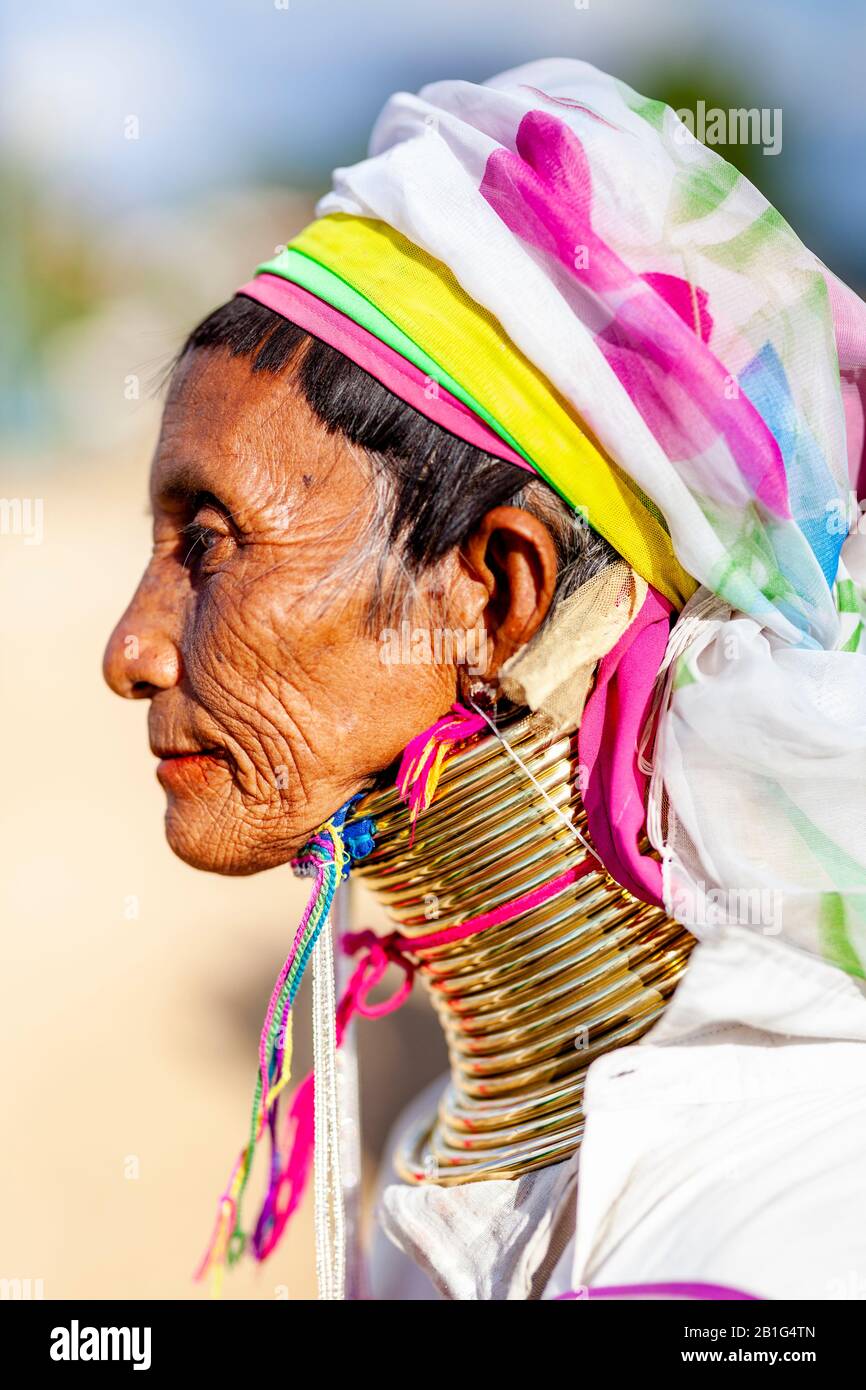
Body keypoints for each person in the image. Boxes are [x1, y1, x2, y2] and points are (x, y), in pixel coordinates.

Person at [104, 58, 866, 1301]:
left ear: (491, 592)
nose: (130, 653)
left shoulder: (787, 1223)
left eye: (209, 543)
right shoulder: (432, 1180)